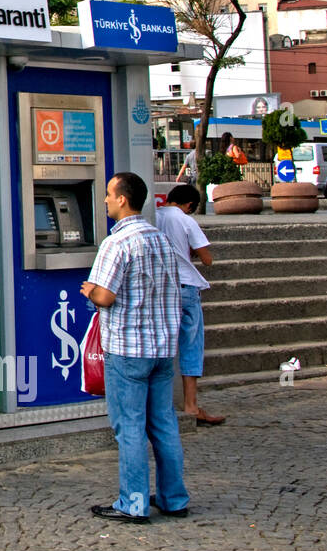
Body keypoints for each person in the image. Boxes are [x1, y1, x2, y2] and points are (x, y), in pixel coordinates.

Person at [81, 172, 189, 523]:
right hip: (161, 348)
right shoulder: (161, 239)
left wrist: (89, 292)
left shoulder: (117, 243)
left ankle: (134, 503)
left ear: (123, 199)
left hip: (127, 349)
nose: (105, 201)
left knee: (129, 427)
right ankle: (174, 498)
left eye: (109, 195)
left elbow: (106, 295)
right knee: (163, 424)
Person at [156, 184, 225, 427]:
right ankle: (191, 405)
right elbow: (207, 258)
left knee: (162, 347)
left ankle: (159, 405)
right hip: (185, 287)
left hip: (161, 290)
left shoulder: (154, 216)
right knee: (191, 346)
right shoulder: (185, 220)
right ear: (189, 205)